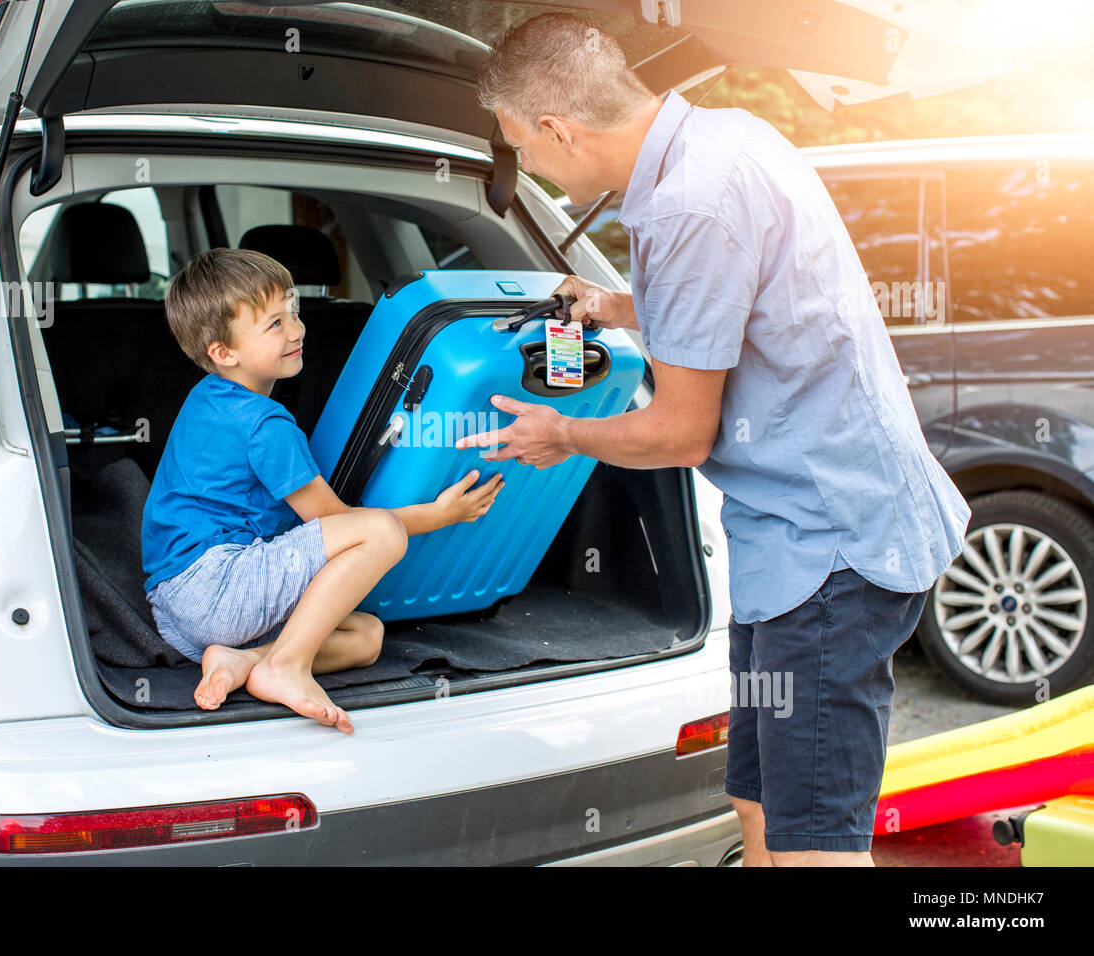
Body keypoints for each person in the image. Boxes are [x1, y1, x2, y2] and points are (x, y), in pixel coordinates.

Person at [462, 13, 970, 864]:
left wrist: (562, 433)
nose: (529, 167)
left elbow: (680, 433)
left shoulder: (689, 203)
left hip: (831, 552)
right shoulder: (725, 138)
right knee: (758, 800)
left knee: (814, 838)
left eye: (523, 146)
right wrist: (621, 306)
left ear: (559, 129)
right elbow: (745, 296)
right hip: (789, 547)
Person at [143, 248, 503, 733]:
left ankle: (246, 661)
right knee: (379, 532)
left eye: (293, 310)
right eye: (274, 324)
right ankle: (285, 667)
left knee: (367, 636)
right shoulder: (264, 425)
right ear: (224, 353)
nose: (296, 329)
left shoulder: (209, 395)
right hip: (217, 589)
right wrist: (441, 513)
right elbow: (335, 520)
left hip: (175, 609)